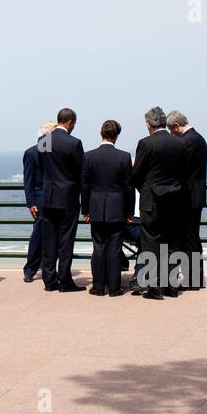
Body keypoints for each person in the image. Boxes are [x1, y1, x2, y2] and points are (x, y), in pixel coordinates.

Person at [130, 106, 188, 299]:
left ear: (148, 124)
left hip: (152, 201)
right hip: (175, 200)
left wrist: (145, 190)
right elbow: (183, 174)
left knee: (151, 243)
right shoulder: (180, 143)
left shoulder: (146, 144)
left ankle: (154, 287)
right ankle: (171, 285)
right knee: (172, 241)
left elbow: (136, 174)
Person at [81, 119, 135, 296]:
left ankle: (97, 286)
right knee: (114, 248)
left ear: (100, 133)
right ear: (116, 136)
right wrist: (129, 211)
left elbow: (85, 186)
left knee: (98, 247)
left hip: (96, 207)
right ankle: (114, 287)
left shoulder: (89, 156)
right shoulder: (124, 156)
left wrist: (85, 210)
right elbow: (128, 187)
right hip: (117, 208)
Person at [37, 107, 84, 292]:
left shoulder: (44, 140)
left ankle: (49, 280)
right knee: (66, 240)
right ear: (70, 122)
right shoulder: (74, 143)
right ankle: (65, 280)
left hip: (48, 196)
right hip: (68, 197)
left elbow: (41, 167)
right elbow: (81, 171)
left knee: (49, 239)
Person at [167, 110, 207, 289]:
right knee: (193, 238)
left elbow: (182, 171)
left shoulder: (187, 141)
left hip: (188, 198)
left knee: (187, 239)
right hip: (196, 195)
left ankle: (192, 279)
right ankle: (196, 277)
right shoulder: (199, 138)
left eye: (171, 130)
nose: (171, 134)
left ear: (177, 125)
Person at [22, 121, 57, 282]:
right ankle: (30, 269)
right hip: (41, 201)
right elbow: (28, 181)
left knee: (50, 235)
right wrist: (31, 203)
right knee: (38, 236)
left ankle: (44, 269)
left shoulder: (50, 151)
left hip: (52, 199)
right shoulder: (31, 153)